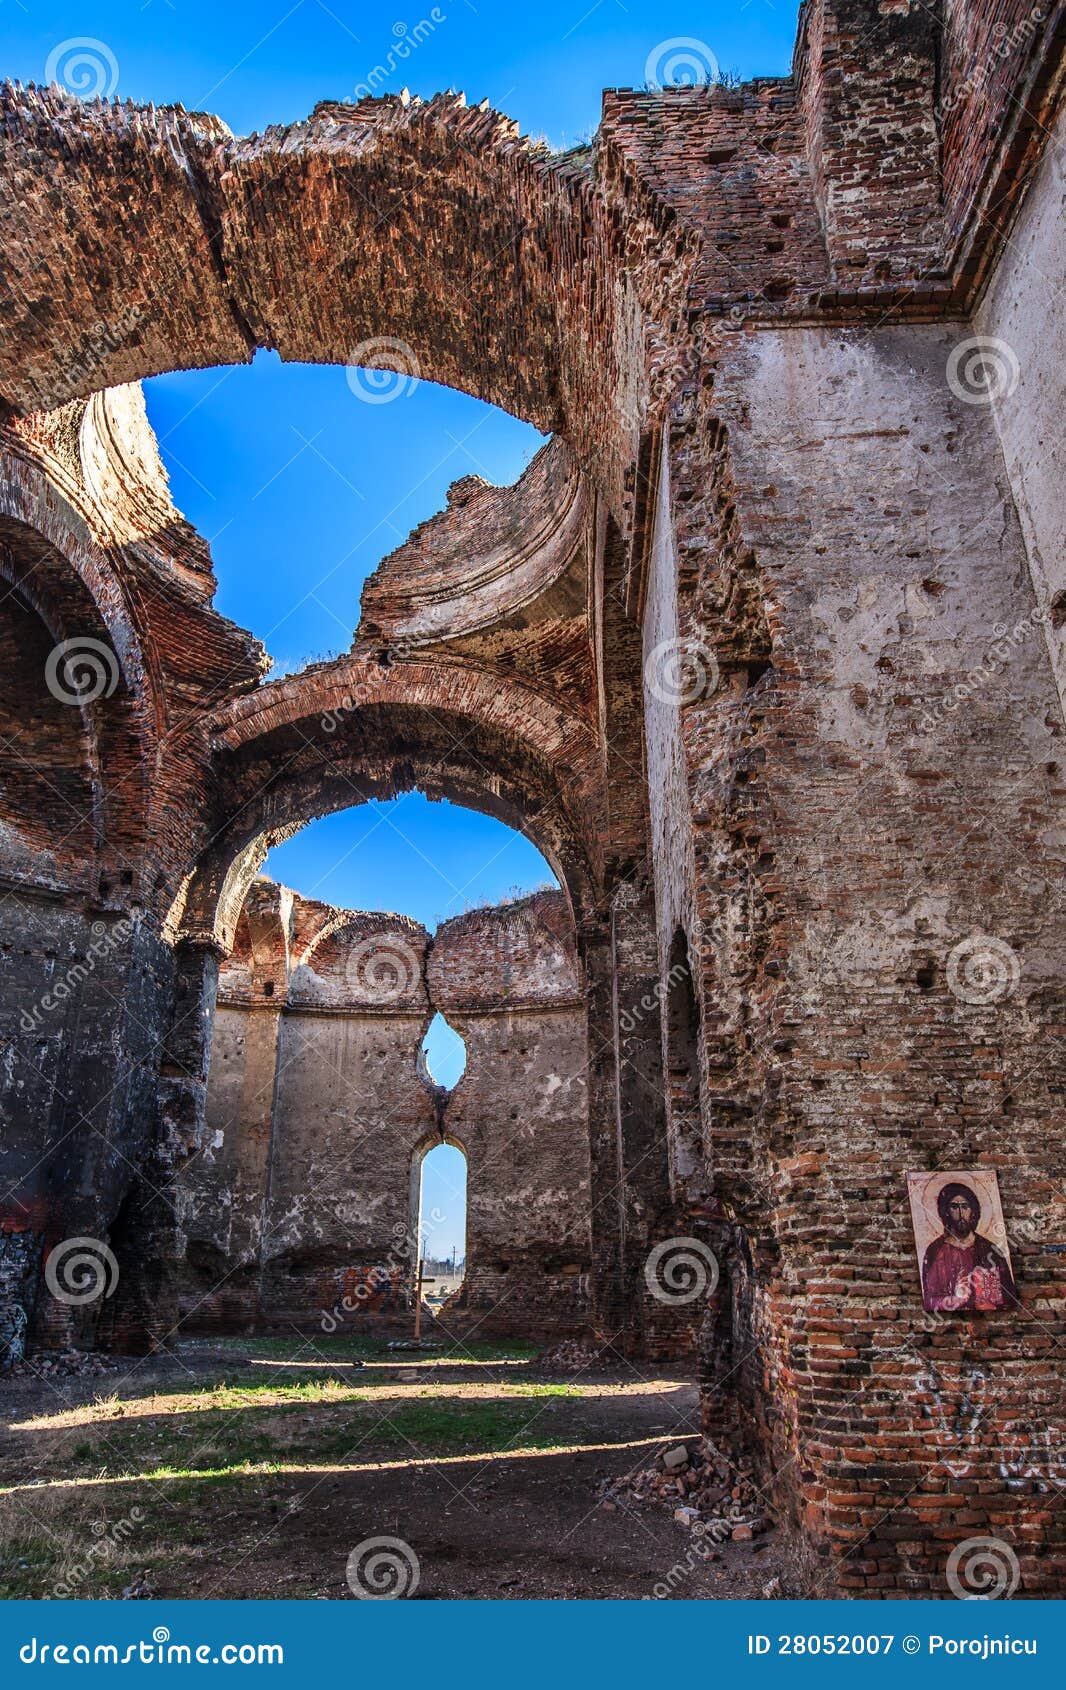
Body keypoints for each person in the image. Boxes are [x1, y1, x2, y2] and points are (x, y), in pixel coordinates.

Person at [921, 1181, 1016, 1311]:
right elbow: (928, 1299)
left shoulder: (990, 1250)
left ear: (973, 1211)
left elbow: (1009, 1296)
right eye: (954, 1207)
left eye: (965, 1206)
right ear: (946, 1211)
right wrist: (956, 1300)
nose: (961, 1213)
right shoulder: (935, 1251)